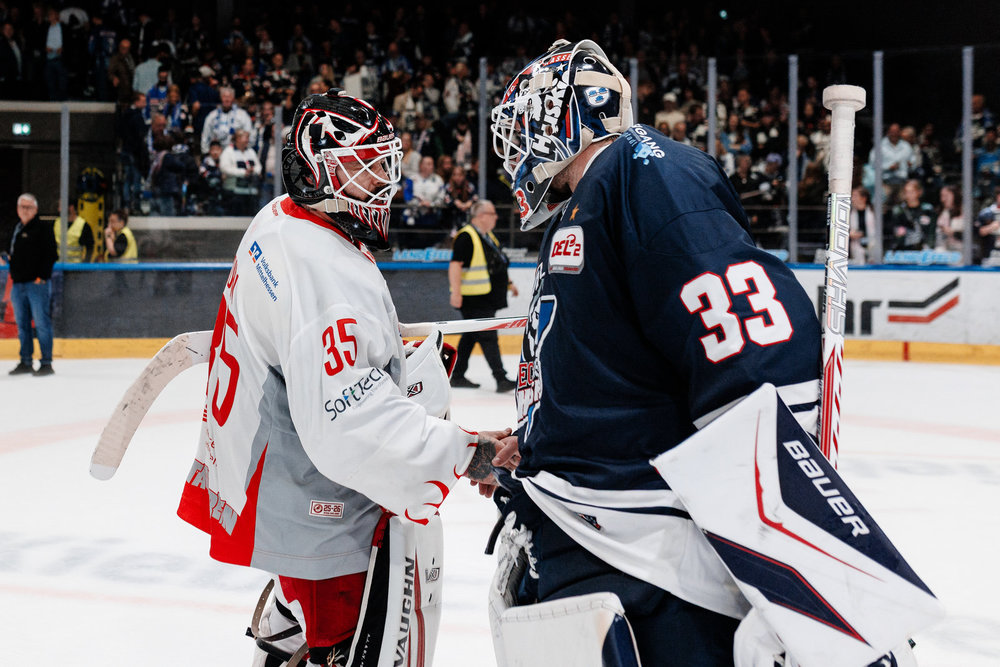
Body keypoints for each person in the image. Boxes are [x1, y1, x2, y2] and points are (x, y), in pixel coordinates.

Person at [488, 39, 823, 666]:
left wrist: (786, 575)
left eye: (522, 127)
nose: (514, 150)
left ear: (562, 117)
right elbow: (614, 367)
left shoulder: (648, 172)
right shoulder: (595, 198)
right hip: (589, 537)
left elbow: (751, 362)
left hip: (646, 562)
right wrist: (541, 437)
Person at [175, 89, 514, 667]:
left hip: (273, 478)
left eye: (385, 165)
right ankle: (302, 617)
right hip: (316, 512)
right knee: (346, 641)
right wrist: (473, 454)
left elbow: (316, 360)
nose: (384, 183)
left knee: (309, 605)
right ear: (315, 172)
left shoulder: (280, 220)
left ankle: (288, 615)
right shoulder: (321, 272)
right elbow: (350, 424)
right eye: (364, 168)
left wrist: (389, 355)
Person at [448, 200, 517, 392]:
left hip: (486, 296)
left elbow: (496, 264)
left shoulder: (488, 237)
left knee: (471, 336)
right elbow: (455, 266)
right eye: (492, 213)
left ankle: (458, 375)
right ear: (480, 216)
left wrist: (509, 284)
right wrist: (456, 292)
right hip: (473, 297)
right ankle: (501, 378)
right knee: (488, 335)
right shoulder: (466, 237)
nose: (496, 217)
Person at [5, 194, 57, 376]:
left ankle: (46, 362)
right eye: (22, 207)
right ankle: (25, 360)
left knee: (42, 323)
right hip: (18, 285)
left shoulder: (43, 228)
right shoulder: (17, 228)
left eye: (29, 207)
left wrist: (42, 277)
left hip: (36, 285)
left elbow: (51, 254)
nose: (25, 210)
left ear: (35, 209)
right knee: (22, 325)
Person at [219, 128, 261, 215]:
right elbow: (224, 168)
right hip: (234, 192)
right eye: (245, 138)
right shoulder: (228, 151)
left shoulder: (250, 151)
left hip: (251, 191)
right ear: (238, 139)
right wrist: (243, 172)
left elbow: (259, 166)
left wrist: (254, 171)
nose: (247, 140)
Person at [889, 179, 935, 251]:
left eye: (912, 191)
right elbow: (896, 231)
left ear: (919, 192)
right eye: (907, 192)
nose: (909, 195)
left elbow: (932, 232)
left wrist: (929, 246)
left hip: (924, 248)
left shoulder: (927, 209)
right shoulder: (899, 211)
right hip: (904, 248)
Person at [850, 186, 876, 264]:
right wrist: (850, 233)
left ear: (864, 198)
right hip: (855, 245)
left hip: (872, 244)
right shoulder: (850, 213)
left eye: (855, 196)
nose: (852, 199)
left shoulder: (874, 212)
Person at [935, 184, 964, 253]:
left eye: (946, 196)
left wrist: (954, 233)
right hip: (942, 250)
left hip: (960, 251)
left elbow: (971, 234)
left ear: (955, 195)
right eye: (942, 196)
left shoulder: (965, 212)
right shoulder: (940, 212)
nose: (943, 199)